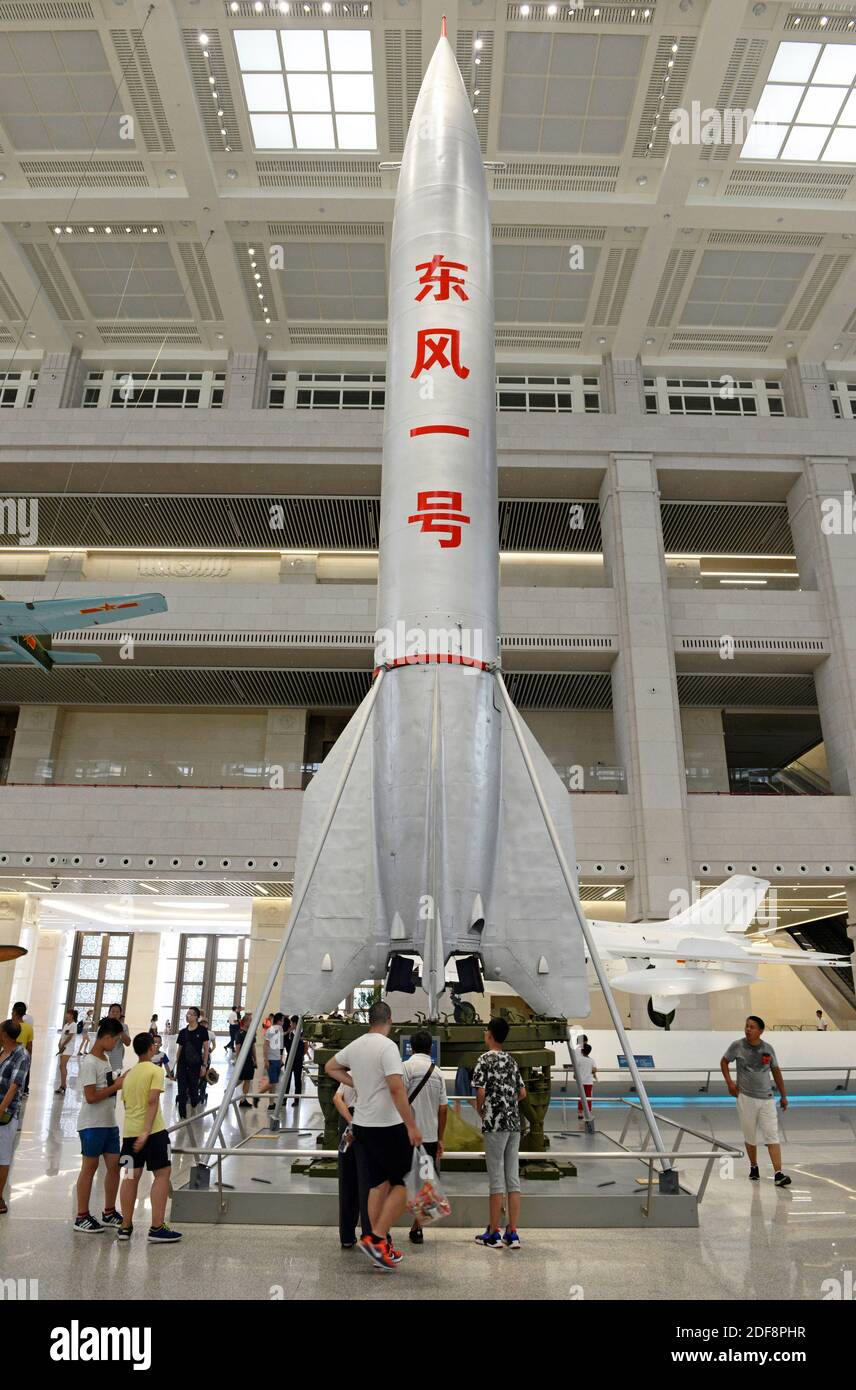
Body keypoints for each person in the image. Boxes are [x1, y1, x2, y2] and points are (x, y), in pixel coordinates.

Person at [325, 1000, 422, 1271]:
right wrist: (411, 1125)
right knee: (406, 1182)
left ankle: (374, 1242)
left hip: (363, 1126)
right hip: (387, 1125)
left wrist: (357, 1082)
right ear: (389, 1020)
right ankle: (377, 1238)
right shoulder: (388, 1047)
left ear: (370, 1019)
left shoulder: (356, 1045)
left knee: (378, 1185)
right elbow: (396, 1089)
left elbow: (330, 1068)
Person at [117, 1032, 181, 1244]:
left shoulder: (128, 1075)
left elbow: (126, 1105)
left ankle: (125, 1226)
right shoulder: (155, 1071)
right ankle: (157, 1227)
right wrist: (146, 1131)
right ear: (151, 1048)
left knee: (129, 1177)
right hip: (154, 1133)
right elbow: (152, 1101)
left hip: (129, 1136)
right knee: (162, 1175)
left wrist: (136, 1131)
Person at [472, 1017, 526, 1250]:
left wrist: (481, 1109)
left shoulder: (484, 1059)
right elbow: (522, 1092)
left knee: (496, 1180)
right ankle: (512, 1232)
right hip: (514, 1123)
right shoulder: (512, 1060)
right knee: (512, 1178)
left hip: (495, 1124)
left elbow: (480, 1090)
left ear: (490, 1035)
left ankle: (493, 1233)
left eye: (486, 1030)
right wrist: (508, 1103)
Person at [721, 1015, 791, 1187]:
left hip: (767, 1099)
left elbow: (776, 1072)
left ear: (760, 1031)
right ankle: (753, 1166)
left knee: (772, 1134)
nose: (748, 1029)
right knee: (750, 1135)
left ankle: (778, 1173)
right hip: (746, 1097)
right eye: (746, 1026)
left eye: (752, 1027)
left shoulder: (768, 1049)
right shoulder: (737, 1046)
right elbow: (724, 1062)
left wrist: (783, 1095)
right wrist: (730, 1083)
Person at [74, 1017, 125, 1233]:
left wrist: (122, 1080)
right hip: (92, 1124)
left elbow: (109, 1085)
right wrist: (116, 1087)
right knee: (90, 1167)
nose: (115, 1045)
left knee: (114, 1167)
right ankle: (82, 1216)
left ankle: (109, 1211)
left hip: (109, 1123)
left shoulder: (105, 1059)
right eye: (115, 1040)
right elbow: (91, 1096)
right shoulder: (90, 1063)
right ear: (105, 1037)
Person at [402, 1030, 447, 1245]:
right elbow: (443, 1109)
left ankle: (385, 1230)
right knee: (423, 1184)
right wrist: (440, 1139)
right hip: (428, 1137)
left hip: (405, 1135)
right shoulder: (437, 1073)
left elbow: (397, 1099)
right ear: (430, 1048)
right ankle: (417, 1229)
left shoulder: (405, 1069)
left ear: (411, 1046)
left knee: (397, 1182)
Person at [332, 1080, 370, 1249]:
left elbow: (337, 1098)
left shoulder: (349, 1073)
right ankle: (370, 1235)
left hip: (346, 1126)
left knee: (347, 1182)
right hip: (367, 1123)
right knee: (368, 1184)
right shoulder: (372, 1072)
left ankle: (347, 1236)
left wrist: (349, 1122)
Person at [0, 1017, 30, 1214]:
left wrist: (1, 1109)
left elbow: (15, 1085)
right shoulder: (3, 1052)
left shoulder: (21, 1055)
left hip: (6, 1114)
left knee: (2, 1156)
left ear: (4, 1035)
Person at [174, 1006, 210, 1121]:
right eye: (187, 1014)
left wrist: (204, 1065)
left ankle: (195, 1103)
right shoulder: (183, 1032)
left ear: (196, 1017)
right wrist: (176, 1066)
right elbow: (179, 1049)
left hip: (195, 1065)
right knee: (181, 1089)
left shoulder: (202, 1031)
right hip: (182, 1065)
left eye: (190, 1014)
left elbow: (206, 1048)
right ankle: (183, 1115)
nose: (187, 1016)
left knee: (194, 1089)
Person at [259, 1012, 285, 1107]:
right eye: (282, 1020)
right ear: (279, 1021)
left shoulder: (278, 1030)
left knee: (274, 1082)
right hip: (272, 1060)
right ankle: (257, 1096)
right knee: (272, 1082)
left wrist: (281, 1058)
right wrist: (266, 1059)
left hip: (277, 1059)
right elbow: (265, 1045)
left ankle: (271, 1103)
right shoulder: (272, 1030)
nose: (283, 1022)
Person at [236, 1013, 258, 1107]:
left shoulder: (251, 1033)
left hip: (249, 1060)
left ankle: (243, 1100)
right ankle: (228, 1091)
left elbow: (253, 1047)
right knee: (240, 1079)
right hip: (243, 1060)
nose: (251, 1022)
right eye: (250, 1020)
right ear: (245, 1022)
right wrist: (238, 1060)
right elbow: (237, 1048)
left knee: (248, 1079)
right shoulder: (240, 1033)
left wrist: (255, 1059)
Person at [284, 1015, 306, 1109]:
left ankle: (296, 1099)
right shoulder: (289, 1033)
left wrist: (300, 1055)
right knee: (287, 1080)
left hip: (298, 1059)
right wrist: (289, 1031)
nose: (291, 1025)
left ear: (296, 1023)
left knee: (297, 1080)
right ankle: (284, 1099)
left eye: (292, 1023)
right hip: (289, 1058)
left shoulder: (302, 1034)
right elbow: (284, 1041)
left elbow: (306, 1047)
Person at [11, 1002, 32, 1094]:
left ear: (14, 1012)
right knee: (19, 1079)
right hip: (23, 1056)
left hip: (10, 1055)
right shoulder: (29, 1028)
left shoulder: (7, 1025)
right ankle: (23, 1091)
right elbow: (30, 1046)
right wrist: (29, 1058)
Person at [55, 1008, 78, 1093]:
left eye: (68, 1014)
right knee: (61, 1066)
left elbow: (70, 1036)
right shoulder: (66, 1025)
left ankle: (63, 1085)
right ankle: (63, 1085)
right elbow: (63, 1036)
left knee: (62, 1065)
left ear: (71, 1016)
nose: (66, 1015)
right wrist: (59, 1044)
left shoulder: (73, 1025)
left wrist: (63, 1044)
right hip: (63, 1047)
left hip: (68, 1048)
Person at [105, 1003, 131, 1076]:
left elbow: (128, 1043)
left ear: (120, 1014)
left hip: (116, 1063)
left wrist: (120, 1030)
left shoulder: (124, 1027)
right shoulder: (103, 1026)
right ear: (109, 1013)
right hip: (103, 1061)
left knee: (114, 1084)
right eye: (113, 1012)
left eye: (117, 1012)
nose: (115, 1014)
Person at [574, 1041, 597, 1120]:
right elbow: (594, 1070)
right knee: (588, 1097)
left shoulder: (579, 1060)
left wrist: (575, 1076)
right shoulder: (592, 1060)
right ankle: (588, 1112)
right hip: (589, 1082)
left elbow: (576, 1070)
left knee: (581, 1097)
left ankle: (580, 1113)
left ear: (582, 1051)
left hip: (581, 1082)